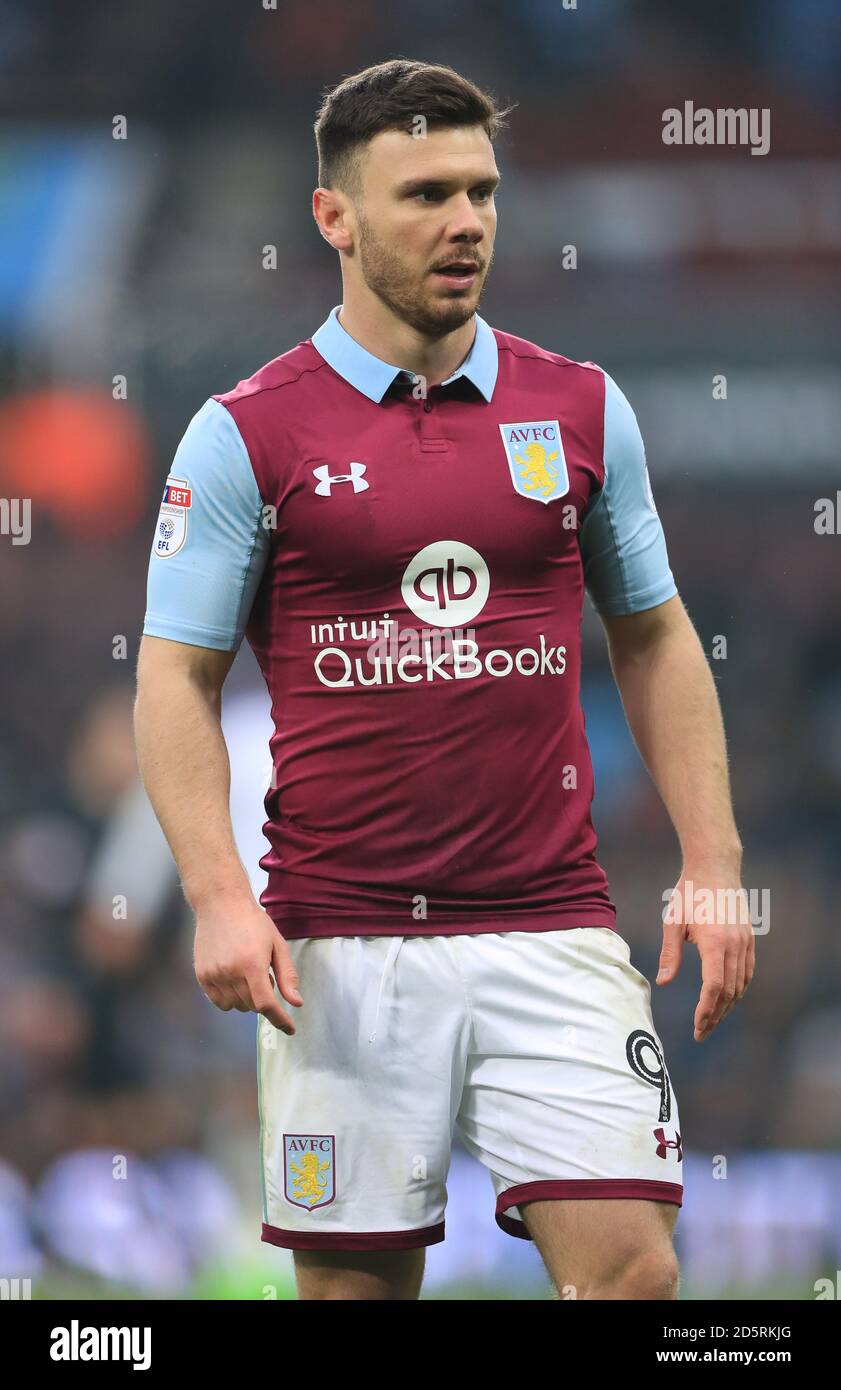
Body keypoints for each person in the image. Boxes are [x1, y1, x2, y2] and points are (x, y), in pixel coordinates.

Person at [134, 59, 754, 1301]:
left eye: (480, 191)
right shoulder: (250, 430)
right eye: (423, 194)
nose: (464, 221)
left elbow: (655, 633)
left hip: (553, 922)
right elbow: (173, 678)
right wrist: (215, 894)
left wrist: (714, 861)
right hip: (341, 948)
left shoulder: (577, 406)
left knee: (635, 1270)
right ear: (335, 218)